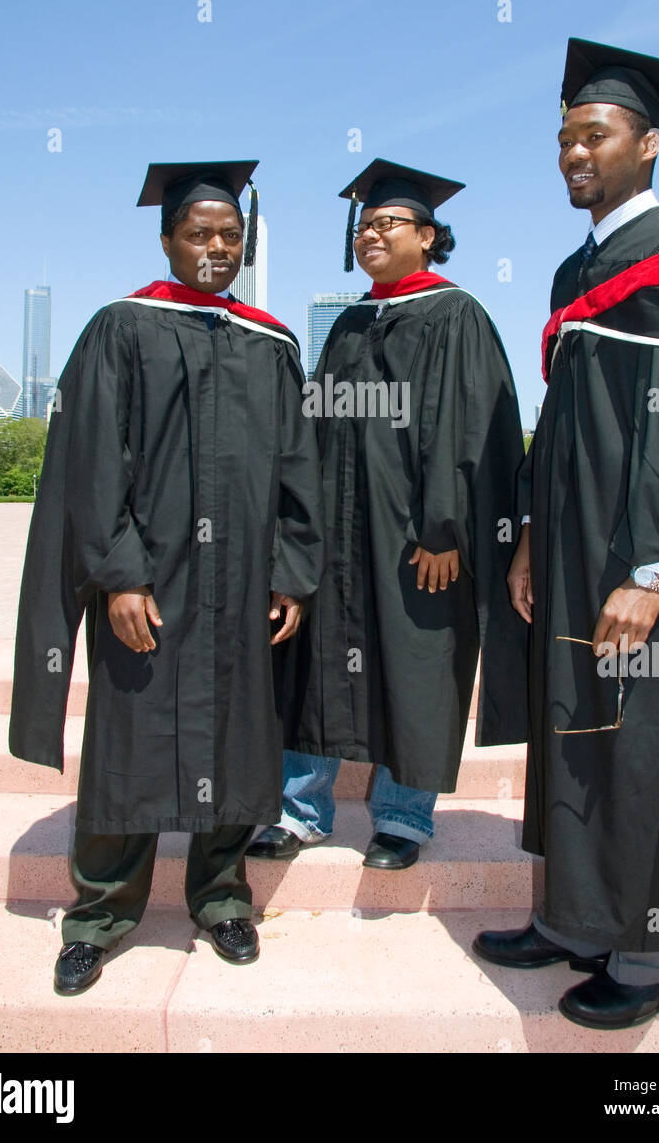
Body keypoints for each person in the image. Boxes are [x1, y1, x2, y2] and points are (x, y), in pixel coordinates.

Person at [473, 40, 659, 1029]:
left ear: (649, 142)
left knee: (644, 743)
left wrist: (647, 569)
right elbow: (559, 421)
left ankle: (655, 954)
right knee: (581, 731)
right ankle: (579, 920)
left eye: (593, 134)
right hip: (572, 551)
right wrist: (526, 539)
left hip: (653, 564)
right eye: (564, 138)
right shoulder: (576, 269)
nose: (573, 152)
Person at [9, 161, 324, 994]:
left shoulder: (271, 343)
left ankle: (221, 897)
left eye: (230, 235)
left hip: (243, 584)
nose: (217, 247)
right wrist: (118, 576)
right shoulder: (122, 327)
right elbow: (91, 462)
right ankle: (99, 914)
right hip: (151, 582)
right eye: (198, 233)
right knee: (130, 741)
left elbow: (299, 466)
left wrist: (291, 573)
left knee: (237, 737)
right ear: (166, 241)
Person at [248, 159, 527, 871]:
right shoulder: (349, 323)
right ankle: (299, 811)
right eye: (364, 225)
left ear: (428, 236)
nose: (370, 234)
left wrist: (445, 528)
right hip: (337, 532)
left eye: (388, 223)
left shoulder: (455, 315)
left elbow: (469, 429)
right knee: (314, 663)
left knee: (416, 664)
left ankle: (404, 818)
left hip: (416, 539)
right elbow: (314, 423)